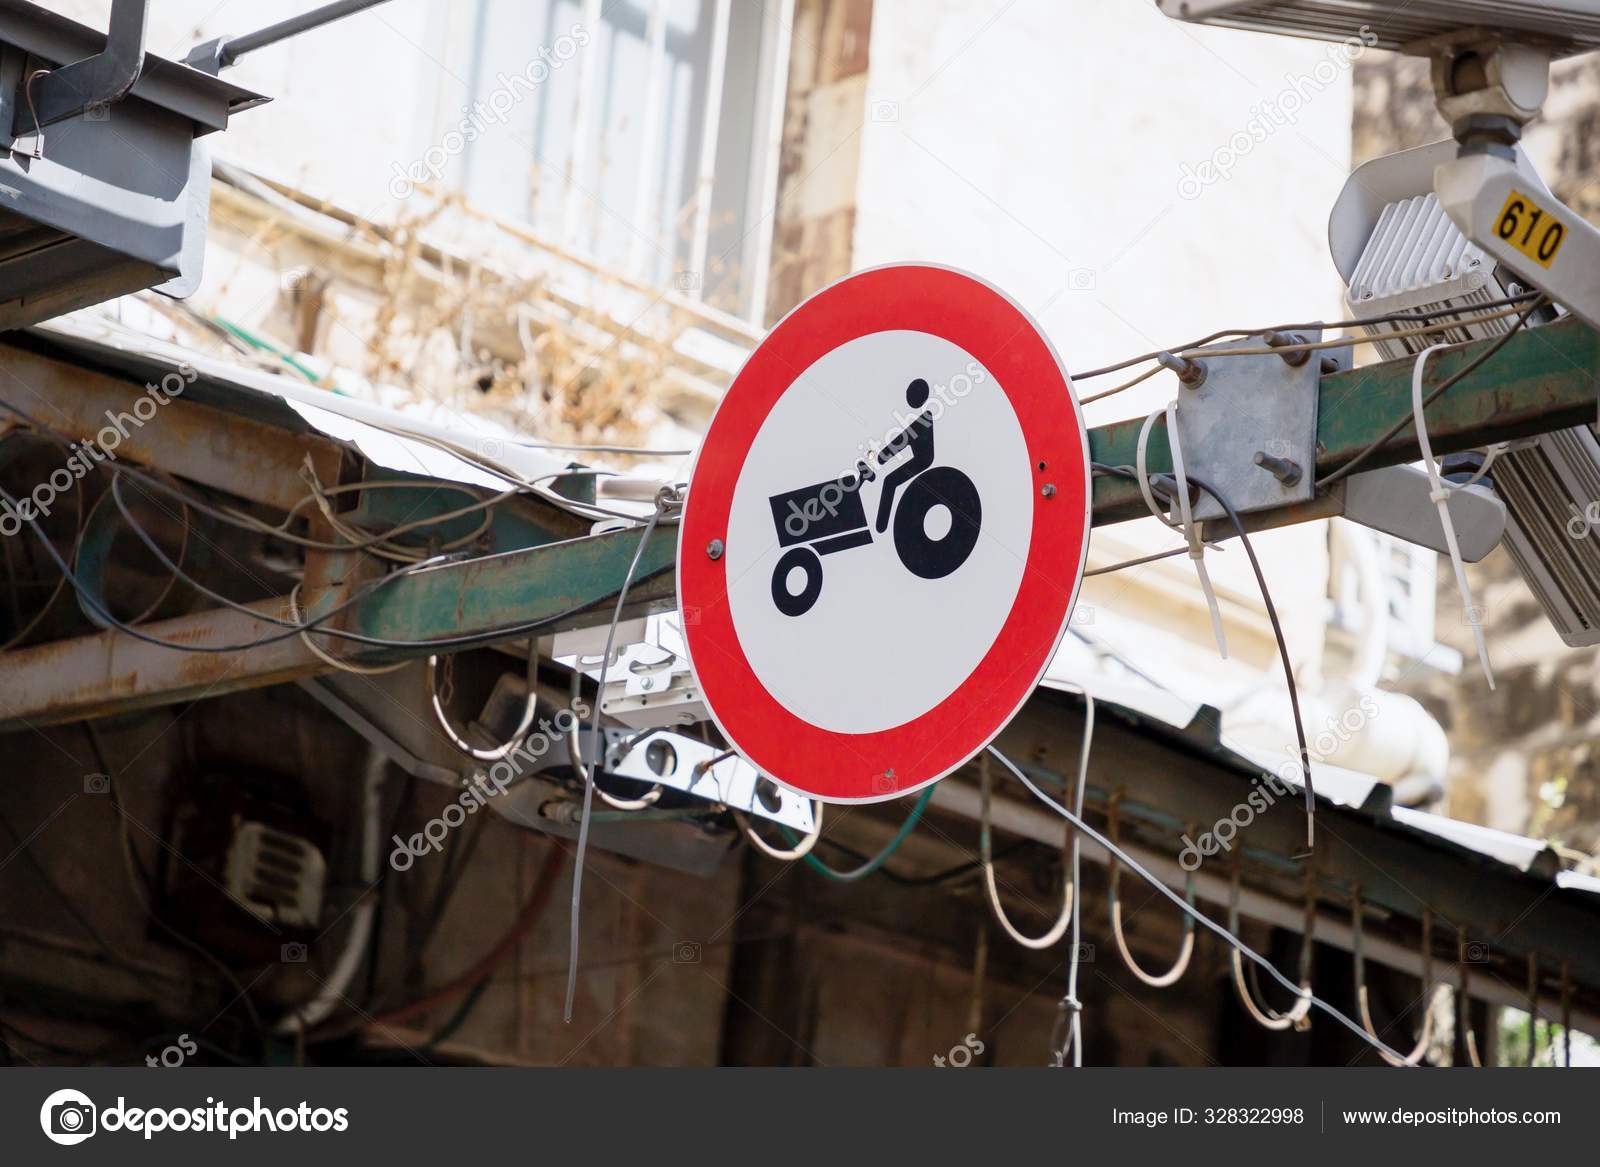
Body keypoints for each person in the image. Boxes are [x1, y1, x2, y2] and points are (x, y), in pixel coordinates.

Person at [873, 378, 935, 533]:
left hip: (923, 460)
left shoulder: (924, 418)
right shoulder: (921, 418)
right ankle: (880, 527)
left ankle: (881, 526)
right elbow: (903, 439)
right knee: (889, 481)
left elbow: (903, 439)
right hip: (921, 458)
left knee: (889, 481)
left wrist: (882, 457)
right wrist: (882, 457)